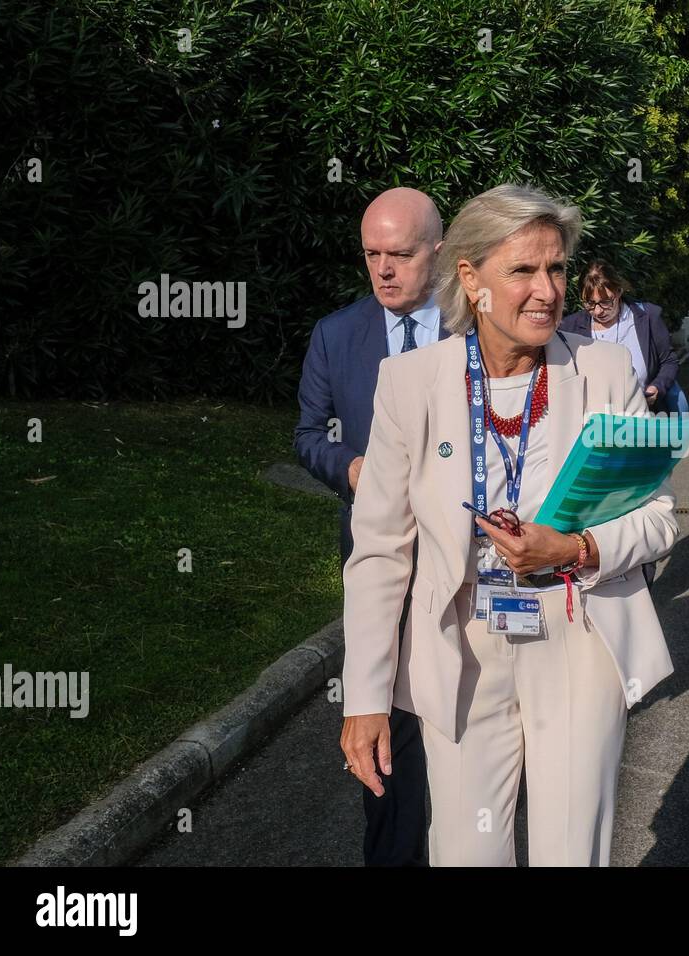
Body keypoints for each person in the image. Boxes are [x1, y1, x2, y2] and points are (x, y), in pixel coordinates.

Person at [339, 183, 678, 866]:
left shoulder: (605, 371)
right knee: (466, 852)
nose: (548, 290)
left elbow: (659, 520)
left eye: (555, 268)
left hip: (576, 638)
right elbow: (379, 553)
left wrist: (579, 546)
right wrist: (367, 698)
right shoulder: (408, 383)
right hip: (459, 649)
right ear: (471, 278)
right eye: (523, 270)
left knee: (569, 852)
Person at [294, 186, 446, 867]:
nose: (384, 269)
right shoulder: (336, 334)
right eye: (372, 255)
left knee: (464, 730)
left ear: (438, 255)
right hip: (379, 564)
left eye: (401, 255)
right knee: (387, 734)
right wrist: (355, 469)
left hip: (464, 565)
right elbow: (307, 436)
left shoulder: (477, 329)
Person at [560, 261, 682, 414]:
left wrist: (657, 387)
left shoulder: (648, 318)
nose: (598, 311)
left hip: (642, 418)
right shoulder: (569, 328)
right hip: (592, 426)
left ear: (618, 292)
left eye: (605, 302)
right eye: (590, 303)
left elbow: (669, 361)